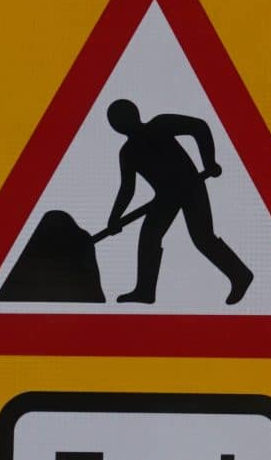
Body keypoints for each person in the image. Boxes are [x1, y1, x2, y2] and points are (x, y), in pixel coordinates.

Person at [95, 98, 255, 305]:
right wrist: (114, 218)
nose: (119, 124)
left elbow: (199, 127)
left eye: (119, 119)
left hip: (190, 186)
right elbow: (127, 189)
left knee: (202, 238)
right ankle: (145, 290)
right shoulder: (128, 153)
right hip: (164, 196)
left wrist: (209, 161)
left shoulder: (160, 125)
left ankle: (240, 275)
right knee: (149, 237)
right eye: (116, 121)